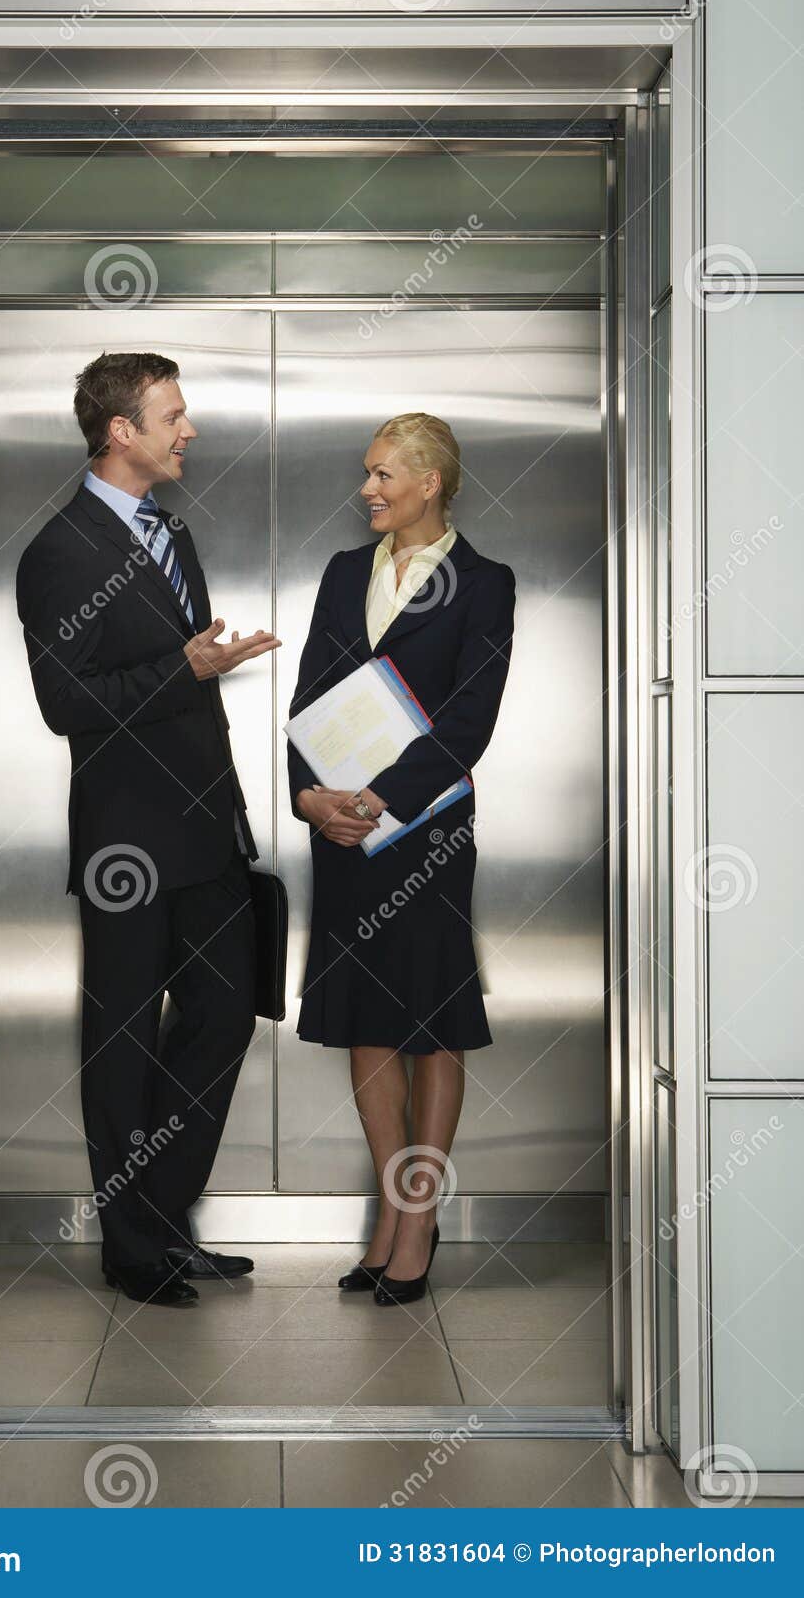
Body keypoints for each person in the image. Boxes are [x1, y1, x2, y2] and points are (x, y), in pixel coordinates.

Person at [16, 351, 279, 1307]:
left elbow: (182, 685)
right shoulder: (60, 551)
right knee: (122, 1043)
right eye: (172, 416)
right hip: (125, 845)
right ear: (119, 431)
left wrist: (200, 678)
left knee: (224, 1015)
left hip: (207, 831)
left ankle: (162, 1221)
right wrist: (188, 670)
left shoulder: (170, 532)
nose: (188, 430)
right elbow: (64, 703)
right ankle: (131, 1249)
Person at [287, 413, 515, 1306]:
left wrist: (383, 796)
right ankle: (389, 1212)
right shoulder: (346, 572)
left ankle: (417, 1219)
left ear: (431, 482)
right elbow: (309, 695)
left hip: (424, 828)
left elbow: (471, 717)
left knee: (432, 1015)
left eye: (383, 475)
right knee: (366, 1016)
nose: (367, 489)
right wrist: (309, 798)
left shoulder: (484, 583)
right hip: (343, 828)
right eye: (367, 472)